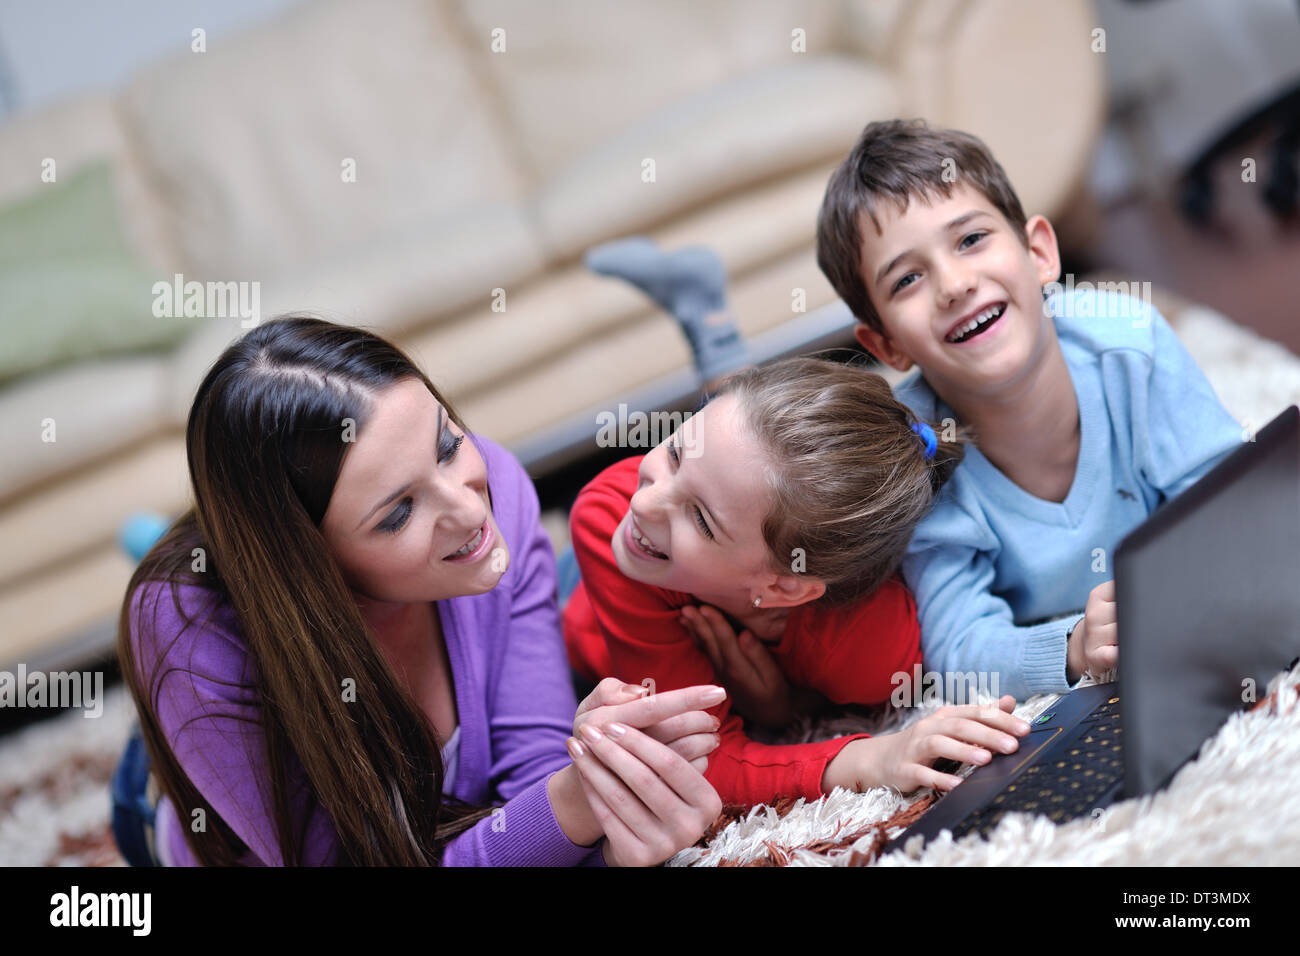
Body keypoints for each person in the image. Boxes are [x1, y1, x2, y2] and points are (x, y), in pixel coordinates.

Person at [113, 315, 723, 866]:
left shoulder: (497, 490)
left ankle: (194, 535)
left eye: (448, 444)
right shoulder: (194, 641)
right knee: (186, 612)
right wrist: (577, 802)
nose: (470, 509)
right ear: (309, 564)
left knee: (573, 576)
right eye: (398, 512)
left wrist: (598, 802)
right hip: (188, 814)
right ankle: (179, 548)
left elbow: (536, 783)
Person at [815, 118, 1244, 700]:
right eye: (908, 278)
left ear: (1039, 252)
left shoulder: (1129, 344)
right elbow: (960, 651)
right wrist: (1072, 646)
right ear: (886, 345)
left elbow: (1235, 504)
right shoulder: (914, 451)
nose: (954, 284)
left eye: (970, 240)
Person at [562, 356, 1033, 807]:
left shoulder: (869, 653)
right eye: (675, 451)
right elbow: (696, 767)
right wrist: (865, 757)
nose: (644, 504)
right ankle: (718, 354)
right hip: (577, 617)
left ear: (786, 588)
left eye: (702, 521)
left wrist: (788, 711)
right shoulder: (610, 515)